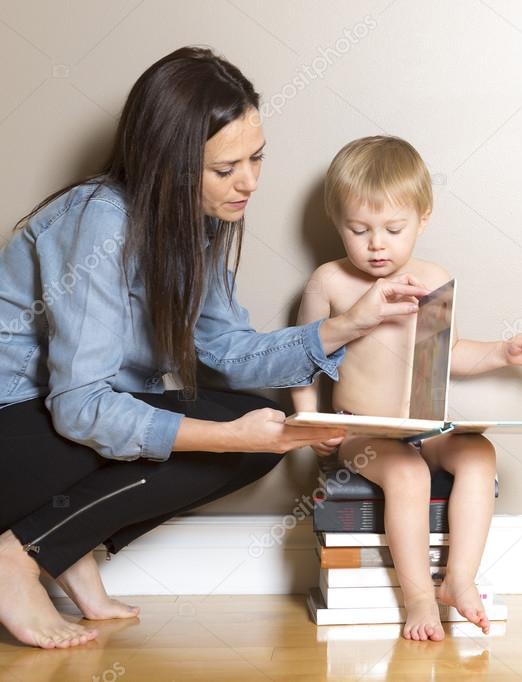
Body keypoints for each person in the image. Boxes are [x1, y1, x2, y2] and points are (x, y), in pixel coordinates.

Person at [0, 48, 430, 650]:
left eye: (255, 158)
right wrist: (235, 437)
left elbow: (229, 350)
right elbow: (80, 407)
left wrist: (347, 325)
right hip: (12, 425)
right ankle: (20, 559)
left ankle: (60, 548)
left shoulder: (197, 222)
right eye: (225, 168)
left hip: (58, 422)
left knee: (264, 424)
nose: (248, 182)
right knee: (239, 436)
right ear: (170, 164)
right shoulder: (100, 219)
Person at [291, 136, 522, 641]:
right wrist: (310, 423)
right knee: (408, 474)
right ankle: (417, 598)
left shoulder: (433, 278)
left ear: (423, 218)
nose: (376, 244)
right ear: (336, 222)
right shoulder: (330, 282)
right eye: (358, 229)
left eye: (393, 229)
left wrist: (503, 352)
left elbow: (445, 356)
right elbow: (305, 358)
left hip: (425, 424)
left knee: (479, 454)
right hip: (362, 436)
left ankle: (458, 580)